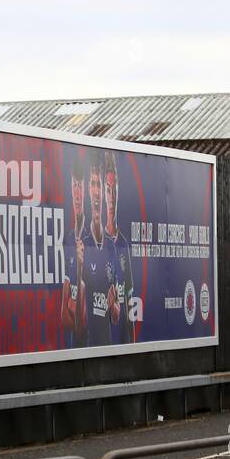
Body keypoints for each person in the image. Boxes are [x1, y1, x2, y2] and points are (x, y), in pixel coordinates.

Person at [82, 152, 114, 348]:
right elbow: (79, 320)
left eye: (99, 185)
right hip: (85, 351)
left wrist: (113, 305)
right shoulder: (81, 245)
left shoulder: (111, 245)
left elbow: (117, 315)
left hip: (107, 348)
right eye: (92, 184)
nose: (95, 190)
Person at [102, 149, 134, 343]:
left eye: (114, 189)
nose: (111, 196)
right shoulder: (95, 243)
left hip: (123, 343)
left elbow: (130, 298)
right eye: (107, 189)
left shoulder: (123, 243)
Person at [59, 150, 87, 348]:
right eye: (74, 186)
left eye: (80, 186)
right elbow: (64, 316)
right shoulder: (68, 239)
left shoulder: (94, 237)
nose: (77, 194)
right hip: (74, 345)